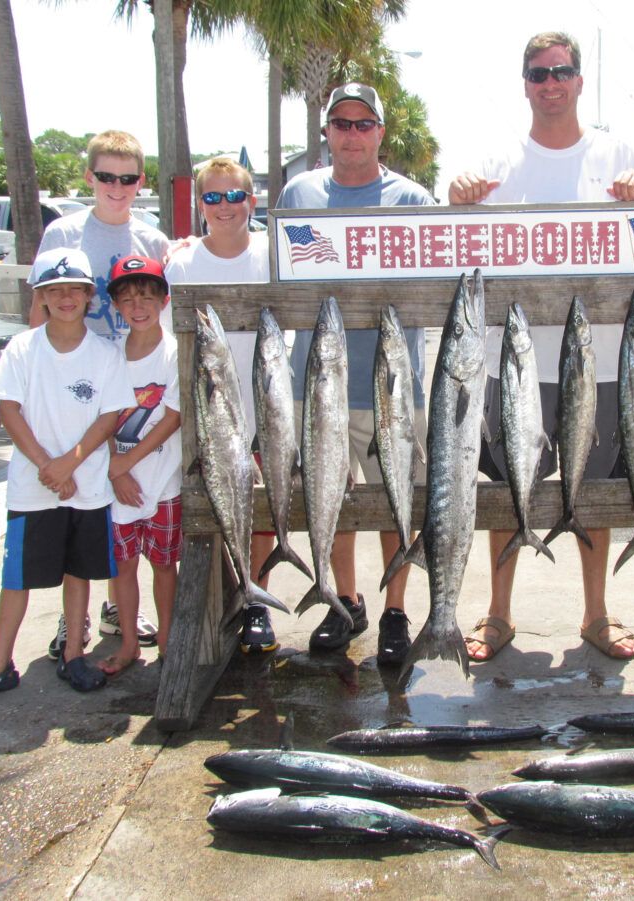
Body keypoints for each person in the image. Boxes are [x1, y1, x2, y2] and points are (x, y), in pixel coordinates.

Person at [447, 31, 634, 661]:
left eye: (561, 71)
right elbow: (455, 242)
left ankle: (595, 614)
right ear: (526, 85)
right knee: (510, 485)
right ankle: (498, 614)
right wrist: (457, 200)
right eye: (539, 74)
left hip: (603, 357)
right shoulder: (496, 157)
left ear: (580, 82)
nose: (551, 82)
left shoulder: (618, 150)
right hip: (514, 362)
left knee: (594, 488)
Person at [277, 82, 435, 664]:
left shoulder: (413, 200)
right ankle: (344, 602)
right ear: (327, 132)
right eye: (341, 123)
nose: (351, 133)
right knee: (331, 498)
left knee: (399, 501)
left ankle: (396, 609)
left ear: (380, 133)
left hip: (394, 387)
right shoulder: (298, 193)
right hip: (317, 386)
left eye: (363, 123)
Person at [0, 248, 135, 705]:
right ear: (40, 298)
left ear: (89, 296)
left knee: (79, 573)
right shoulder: (22, 348)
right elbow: (9, 409)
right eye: (53, 291)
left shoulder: (104, 353)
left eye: (74, 290)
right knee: (16, 578)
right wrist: (46, 465)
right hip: (32, 486)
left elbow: (109, 415)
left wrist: (69, 464)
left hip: (87, 485)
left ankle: (74, 654)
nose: (65, 298)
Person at [36, 129, 169, 656]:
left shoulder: (153, 239)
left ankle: (119, 611)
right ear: (90, 177)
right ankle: (76, 620)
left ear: (141, 181)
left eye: (129, 177)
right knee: (80, 503)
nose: (118, 186)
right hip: (76, 386)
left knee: (118, 504)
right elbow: (38, 310)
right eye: (107, 176)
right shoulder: (62, 234)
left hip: (133, 388)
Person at [164, 157, 278, 654]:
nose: (225, 206)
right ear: (199, 205)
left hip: (266, 411)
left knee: (263, 514)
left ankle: (254, 599)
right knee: (214, 507)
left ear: (251, 201)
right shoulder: (182, 263)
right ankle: (228, 599)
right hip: (210, 414)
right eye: (212, 197)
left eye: (235, 196)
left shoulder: (274, 253)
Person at [103, 255, 182, 673]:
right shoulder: (108, 356)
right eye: (128, 298)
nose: (138, 306)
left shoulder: (173, 352)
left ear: (164, 300)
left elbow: (173, 416)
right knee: (124, 566)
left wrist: (125, 463)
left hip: (162, 481)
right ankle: (130, 641)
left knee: (164, 565)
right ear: (115, 305)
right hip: (118, 486)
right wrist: (116, 468)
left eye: (148, 296)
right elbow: (97, 419)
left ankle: (167, 638)